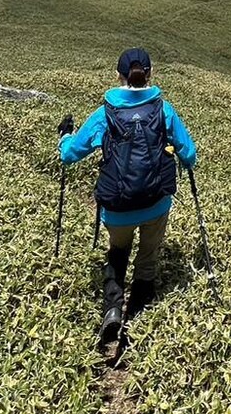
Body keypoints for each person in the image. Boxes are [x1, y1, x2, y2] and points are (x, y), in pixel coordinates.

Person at [58, 47, 197, 347]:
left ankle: (112, 308)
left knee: (118, 252)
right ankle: (137, 319)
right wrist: (182, 158)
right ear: (150, 74)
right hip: (156, 203)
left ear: (118, 76)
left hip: (117, 208)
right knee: (148, 257)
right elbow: (190, 154)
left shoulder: (105, 114)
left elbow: (69, 155)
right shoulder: (164, 110)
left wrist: (65, 136)